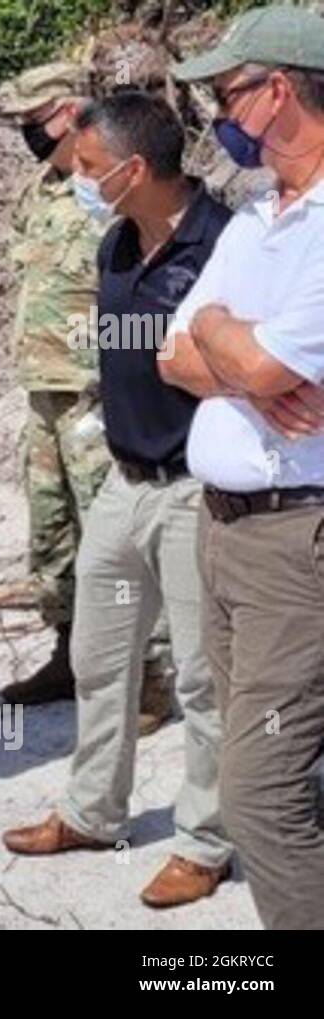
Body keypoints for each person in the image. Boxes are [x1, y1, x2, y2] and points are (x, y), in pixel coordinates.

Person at [2, 92, 234, 909]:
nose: (80, 178)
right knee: (101, 661)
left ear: (135, 169)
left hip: (198, 494)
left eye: (92, 167)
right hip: (124, 482)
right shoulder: (114, 243)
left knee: (206, 681)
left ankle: (207, 842)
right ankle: (93, 811)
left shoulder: (226, 245)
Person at [160, 3, 324, 929]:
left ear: (282, 92)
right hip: (220, 527)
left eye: (228, 94)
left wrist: (232, 350)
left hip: (295, 539)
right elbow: (170, 352)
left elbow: (233, 355)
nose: (218, 116)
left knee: (261, 792)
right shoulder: (261, 208)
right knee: (258, 765)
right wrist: (248, 366)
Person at [0, 64, 174, 735]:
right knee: (53, 532)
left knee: (120, 538)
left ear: (71, 110)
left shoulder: (120, 191)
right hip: (44, 389)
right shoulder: (39, 192)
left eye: (34, 116)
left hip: (99, 393)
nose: (26, 132)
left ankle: (151, 677)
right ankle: (68, 653)